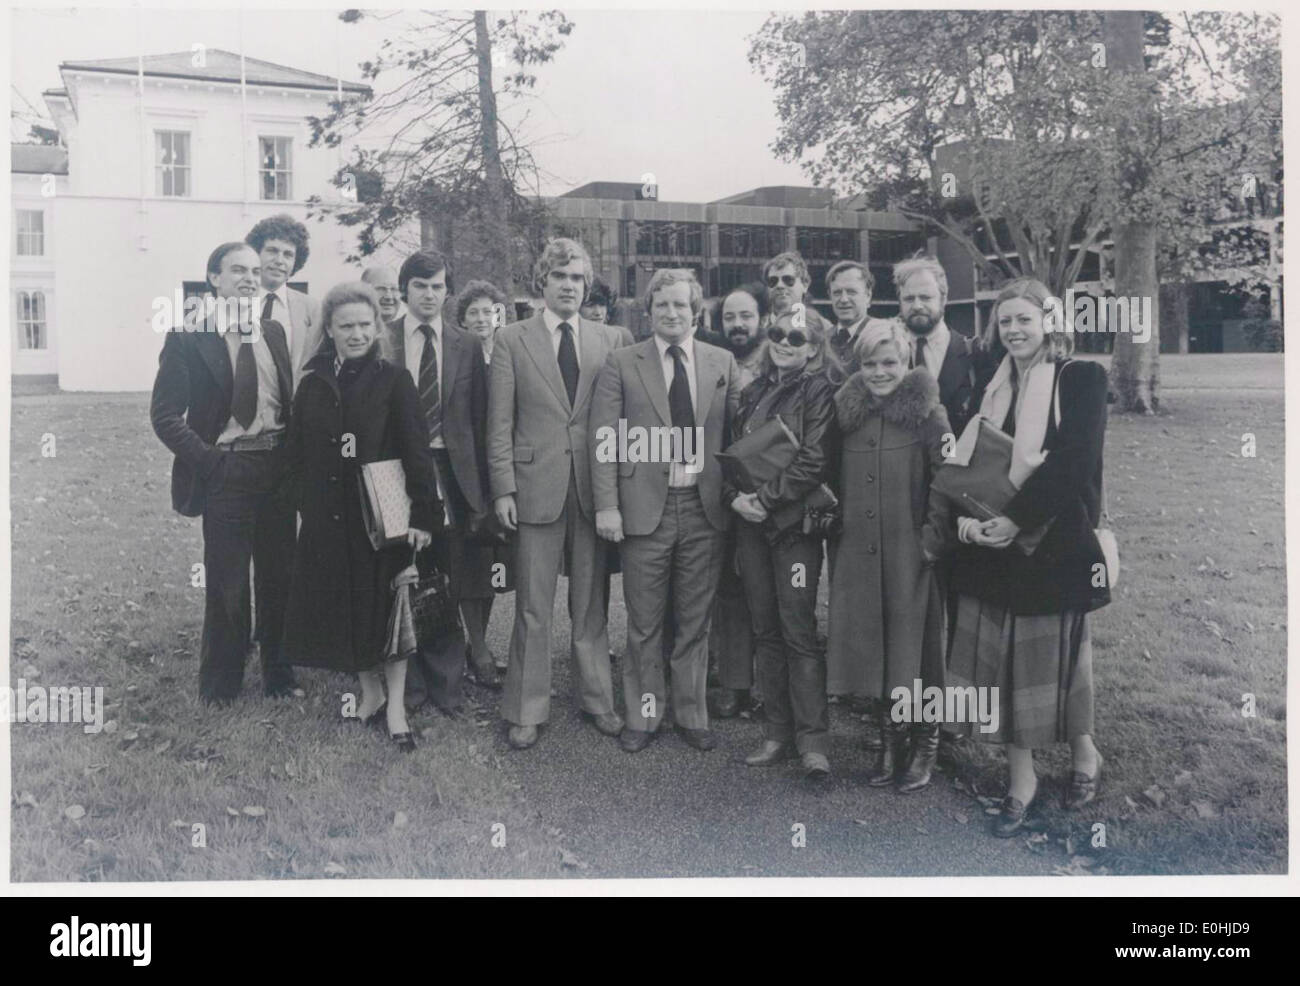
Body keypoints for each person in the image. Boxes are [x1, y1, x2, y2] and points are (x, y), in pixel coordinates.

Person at [924, 276, 1111, 837]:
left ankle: (1084, 756)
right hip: (991, 548)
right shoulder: (992, 381)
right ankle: (1020, 779)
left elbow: (1074, 461)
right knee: (1002, 668)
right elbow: (969, 455)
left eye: (1024, 319)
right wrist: (966, 517)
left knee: (1057, 662)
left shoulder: (1082, 377)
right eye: (1004, 321)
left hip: (1052, 543)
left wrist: (1016, 520)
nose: (1013, 330)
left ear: (1049, 321)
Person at [280, 282, 438, 751]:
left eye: (364, 325)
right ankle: (369, 694)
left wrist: (424, 517)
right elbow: (298, 453)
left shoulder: (394, 380)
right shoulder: (312, 383)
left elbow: (417, 451)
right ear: (328, 329)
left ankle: (395, 708)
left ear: (377, 327)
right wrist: (301, 505)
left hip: (384, 520)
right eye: (345, 326)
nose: (356, 333)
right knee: (348, 612)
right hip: (329, 522)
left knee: (389, 611)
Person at [591, 269, 741, 753]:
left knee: (695, 620)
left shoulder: (723, 362)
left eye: (680, 305)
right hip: (644, 510)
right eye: (662, 306)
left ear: (695, 310)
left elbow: (739, 437)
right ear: (648, 310)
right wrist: (608, 506)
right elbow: (605, 441)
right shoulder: (622, 362)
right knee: (644, 622)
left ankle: (691, 713)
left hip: (704, 509)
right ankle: (644, 715)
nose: (671, 313)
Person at [487, 238, 627, 750]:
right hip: (533, 487)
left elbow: (622, 421)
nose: (569, 286)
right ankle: (527, 707)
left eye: (577, 278)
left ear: (587, 286)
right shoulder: (511, 339)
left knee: (591, 604)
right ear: (541, 282)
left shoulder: (612, 339)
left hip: (594, 489)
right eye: (560, 276)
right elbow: (499, 424)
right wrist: (503, 487)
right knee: (533, 603)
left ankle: (598, 700)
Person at [150, 242, 298, 703]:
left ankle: (279, 674)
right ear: (214, 278)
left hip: (276, 468)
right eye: (238, 270)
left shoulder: (273, 332)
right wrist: (212, 462)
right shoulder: (188, 336)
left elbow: (285, 406)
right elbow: (165, 415)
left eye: (255, 271)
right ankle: (220, 686)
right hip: (227, 470)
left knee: (279, 576)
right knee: (228, 583)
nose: (250, 278)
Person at [828, 318, 950, 792]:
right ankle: (888, 739)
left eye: (890, 363)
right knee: (875, 647)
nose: (880, 372)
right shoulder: (848, 416)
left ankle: (926, 743)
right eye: (870, 363)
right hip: (860, 551)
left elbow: (949, 476)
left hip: (909, 553)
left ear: (906, 363)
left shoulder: (927, 415)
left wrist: (930, 539)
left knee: (915, 650)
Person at [726, 310, 841, 777]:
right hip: (751, 525)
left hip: (794, 527)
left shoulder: (820, 391)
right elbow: (732, 456)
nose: (785, 342)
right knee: (765, 629)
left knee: (797, 629)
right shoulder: (752, 392)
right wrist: (736, 498)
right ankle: (777, 732)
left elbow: (815, 459)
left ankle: (813, 740)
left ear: (814, 347)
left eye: (797, 337)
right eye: (777, 334)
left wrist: (765, 499)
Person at [386, 252, 497, 707]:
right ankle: (406, 681)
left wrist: (485, 488)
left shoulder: (466, 345)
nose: (429, 295)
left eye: (437, 286)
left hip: (453, 471)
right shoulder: (383, 339)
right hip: (396, 470)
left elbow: (482, 417)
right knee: (401, 571)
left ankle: (447, 683)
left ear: (447, 292)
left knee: (449, 575)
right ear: (404, 291)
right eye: (420, 286)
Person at [703, 282, 769, 717]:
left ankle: (769, 688)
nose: (738, 324)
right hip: (722, 492)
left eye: (746, 316)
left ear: (762, 318)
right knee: (728, 591)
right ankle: (732, 682)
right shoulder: (713, 362)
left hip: (771, 495)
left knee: (770, 594)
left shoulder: (779, 356)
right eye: (730, 317)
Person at [455, 278, 514, 679]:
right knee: (471, 561)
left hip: (506, 470)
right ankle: (476, 648)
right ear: (461, 319)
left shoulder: (512, 353)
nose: (482, 317)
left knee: (498, 561)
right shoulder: (458, 356)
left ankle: (480, 643)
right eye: (473, 311)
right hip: (469, 471)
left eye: (488, 310)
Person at [894, 254, 976, 436]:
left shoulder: (974, 354)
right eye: (909, 299)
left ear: (944, 298)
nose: (917, 306)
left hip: (956, 459)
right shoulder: (888, 356)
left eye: (925, 297)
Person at [245, 215, 322, 389]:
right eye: (272, 251)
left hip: (294, 410)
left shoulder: (313, 309)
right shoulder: (235, 303)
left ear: (296, 262)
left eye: (288, 254)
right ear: (256, 253)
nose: (279, 260)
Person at [763, 250, 831, 334]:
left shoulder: (824, 329)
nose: (779, 285)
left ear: (805, 284)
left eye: (788, 280)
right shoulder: (757, 327)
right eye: (773, 281)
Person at [826, 261, 875, 374]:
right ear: (830, 296)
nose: (844, 299)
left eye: (851, 292)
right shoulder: (823, 340)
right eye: (837, 293)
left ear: (868, 295)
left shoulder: (880, 335)